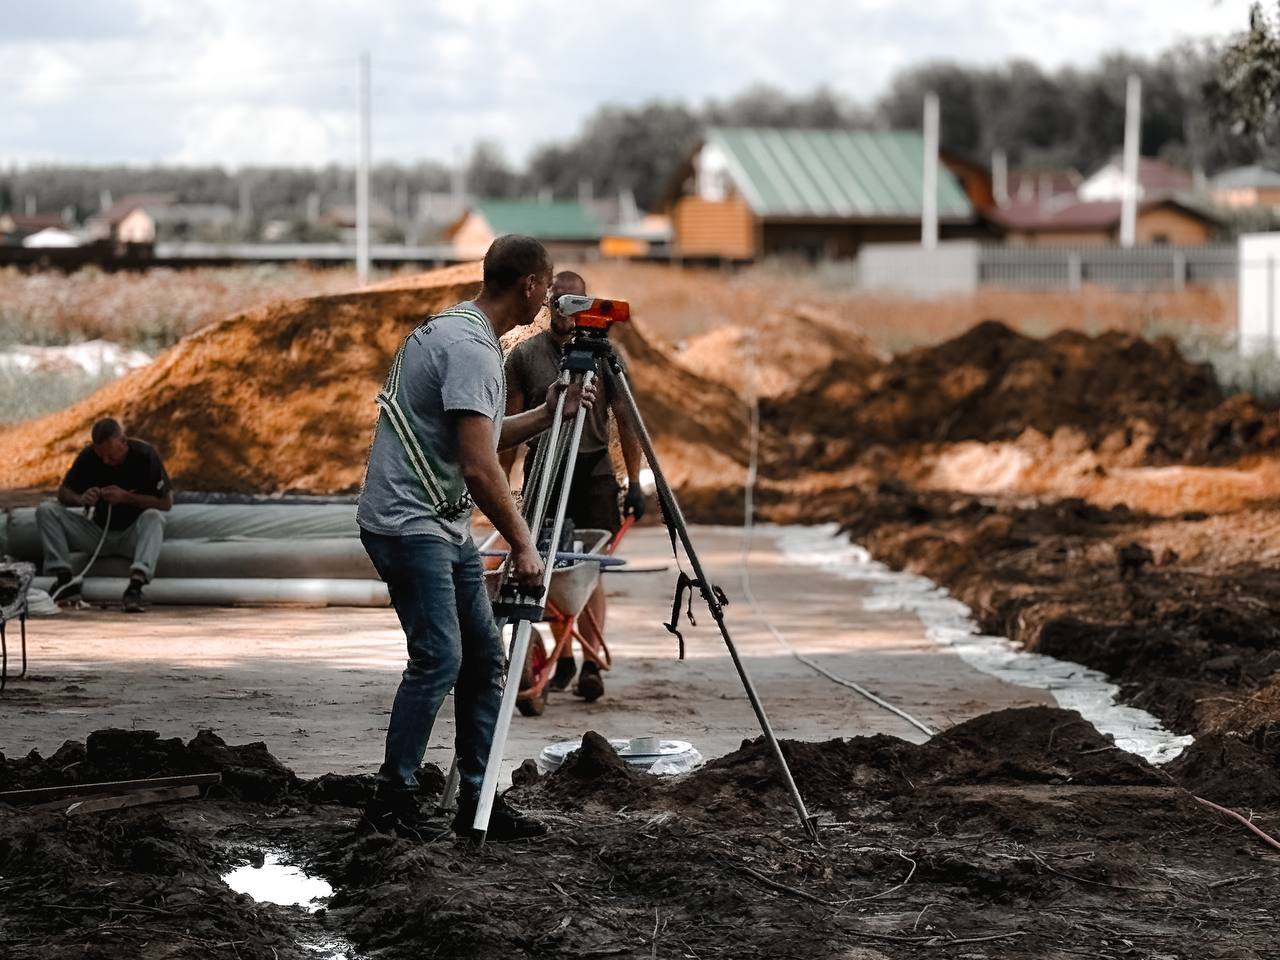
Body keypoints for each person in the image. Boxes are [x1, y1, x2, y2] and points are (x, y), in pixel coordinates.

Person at [356, 235, 596, 843]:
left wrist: (550, 413)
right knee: (440, 657)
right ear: (532, 287)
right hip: (412, 522)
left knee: (483, 659)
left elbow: (481, 441)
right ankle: (395, 797)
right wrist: (522, 543)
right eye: (548, 289)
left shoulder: (459, 331)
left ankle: (477, 797)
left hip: (437, 521)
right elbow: (479, 465)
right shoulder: (472, 350)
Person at [501, 270, 646, 701]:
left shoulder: (605, 355)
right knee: (541, 564)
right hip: (544, 466)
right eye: (561, 301)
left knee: (588, 571)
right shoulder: (524, 357)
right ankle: (560, 657)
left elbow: (627, 420)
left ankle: (589, 663)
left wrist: (634, 481)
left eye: (577, 302)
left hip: (594, 471)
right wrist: (500, 484)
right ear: (548, 303)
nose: (568, 310)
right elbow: (506, 428)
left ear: (589, 304)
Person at [36, 418, 172, 613]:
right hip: (97, 534)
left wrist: (126, 498)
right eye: (101, 457)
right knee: (46, 510)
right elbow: (63, 493)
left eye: (111, 456)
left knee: (154, 517)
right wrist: (81, 498)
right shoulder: (89, 457)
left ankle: (135, 587)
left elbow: (165, 504)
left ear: (123, 442)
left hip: (132, 535)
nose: (106, 462)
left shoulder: (145, 455)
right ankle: (65, 581)